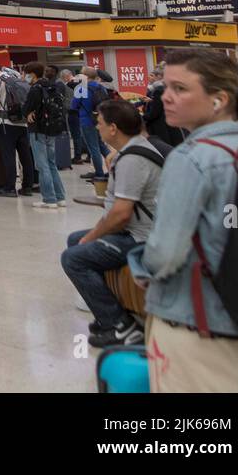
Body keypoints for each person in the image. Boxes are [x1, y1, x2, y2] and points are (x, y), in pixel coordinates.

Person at [128, 48, 238, 391]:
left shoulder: (191, 159)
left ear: (218, 99)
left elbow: (165, 253)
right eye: (165, 86)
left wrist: (142, 267)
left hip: (199, 326)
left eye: (180, 89)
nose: (165, 97)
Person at [61, 100, 162, 348]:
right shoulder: (134, 150)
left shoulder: (132, 160)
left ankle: (120, 326)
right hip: (138, 229)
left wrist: (93, 236)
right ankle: (112, 311)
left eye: (100, 123)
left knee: (73, 257)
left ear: (114, 128)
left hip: (142, 238)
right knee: (75, 240)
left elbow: (121, 214)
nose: (97, 128)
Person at [23, 62, 68, 209]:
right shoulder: (53, 85)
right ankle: (60, 197)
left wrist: (28, 112)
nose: (25, 77)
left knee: (42, 166)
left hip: (38, 129)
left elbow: (27, 108)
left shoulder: (35, 89)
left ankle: (49, 199)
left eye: (26, 74)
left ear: (33, 74)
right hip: (53, 129)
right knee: (52, 164)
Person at [0, 61, 34, 198]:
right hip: (23, 123)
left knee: (9, 156)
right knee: (26, 156)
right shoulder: (16, 78)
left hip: (6, 123)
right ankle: (27, 187)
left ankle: (10, 188)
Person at [72, 66, 110, 180]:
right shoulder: (101, 87)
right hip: (100, 120)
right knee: (101, 145)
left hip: (86, 120)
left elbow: (73, 105)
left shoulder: (81, 88)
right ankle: (115, 167)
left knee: (93, 148)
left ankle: (99, 173)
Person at [142, 64, 183, 149]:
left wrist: (141, 117)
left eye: (152, 75)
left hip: (161, 127)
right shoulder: (169, 88)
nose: (149, 77)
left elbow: (154, 113)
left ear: (159, 76)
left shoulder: (158, 90)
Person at [57, 68, 87, 164]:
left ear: (66, 76)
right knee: (82, 134)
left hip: (74, 113)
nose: (64, 80)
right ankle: (88, 155)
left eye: (63, 78)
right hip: (83, 112)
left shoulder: (70, 84)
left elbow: (70, 100)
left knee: (76, 135)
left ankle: (78, 156)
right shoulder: (81, 83)